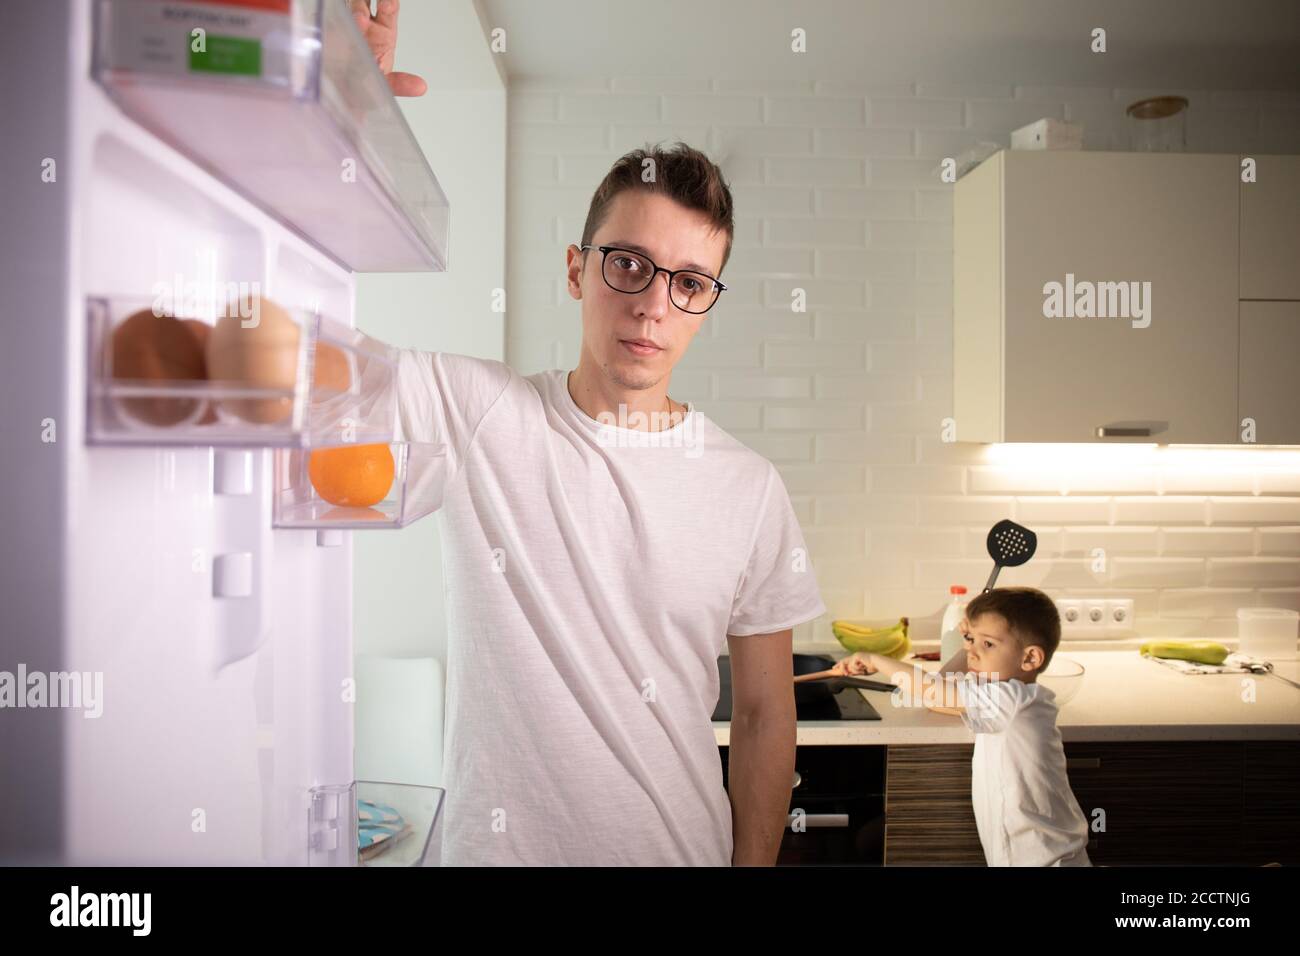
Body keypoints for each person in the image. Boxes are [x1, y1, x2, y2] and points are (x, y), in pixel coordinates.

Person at [351, 0, 826, 865]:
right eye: (629, 264)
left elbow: (762, 714)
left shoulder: (749, 489)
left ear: (706, 306)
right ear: (578, 269)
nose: (652, 302)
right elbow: (305, 373)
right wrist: (340, 108)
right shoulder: (477, 416)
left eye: (689, 282)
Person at [834, 587, 1092, 866]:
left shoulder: (1011, 699)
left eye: (988, 644)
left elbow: (933, 691)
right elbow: (943, 688)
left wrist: (875, 660)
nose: (972, 653)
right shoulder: (999, 691)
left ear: (1030, 658)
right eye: (971, 641)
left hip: (1046, 860)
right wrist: (968, 643)